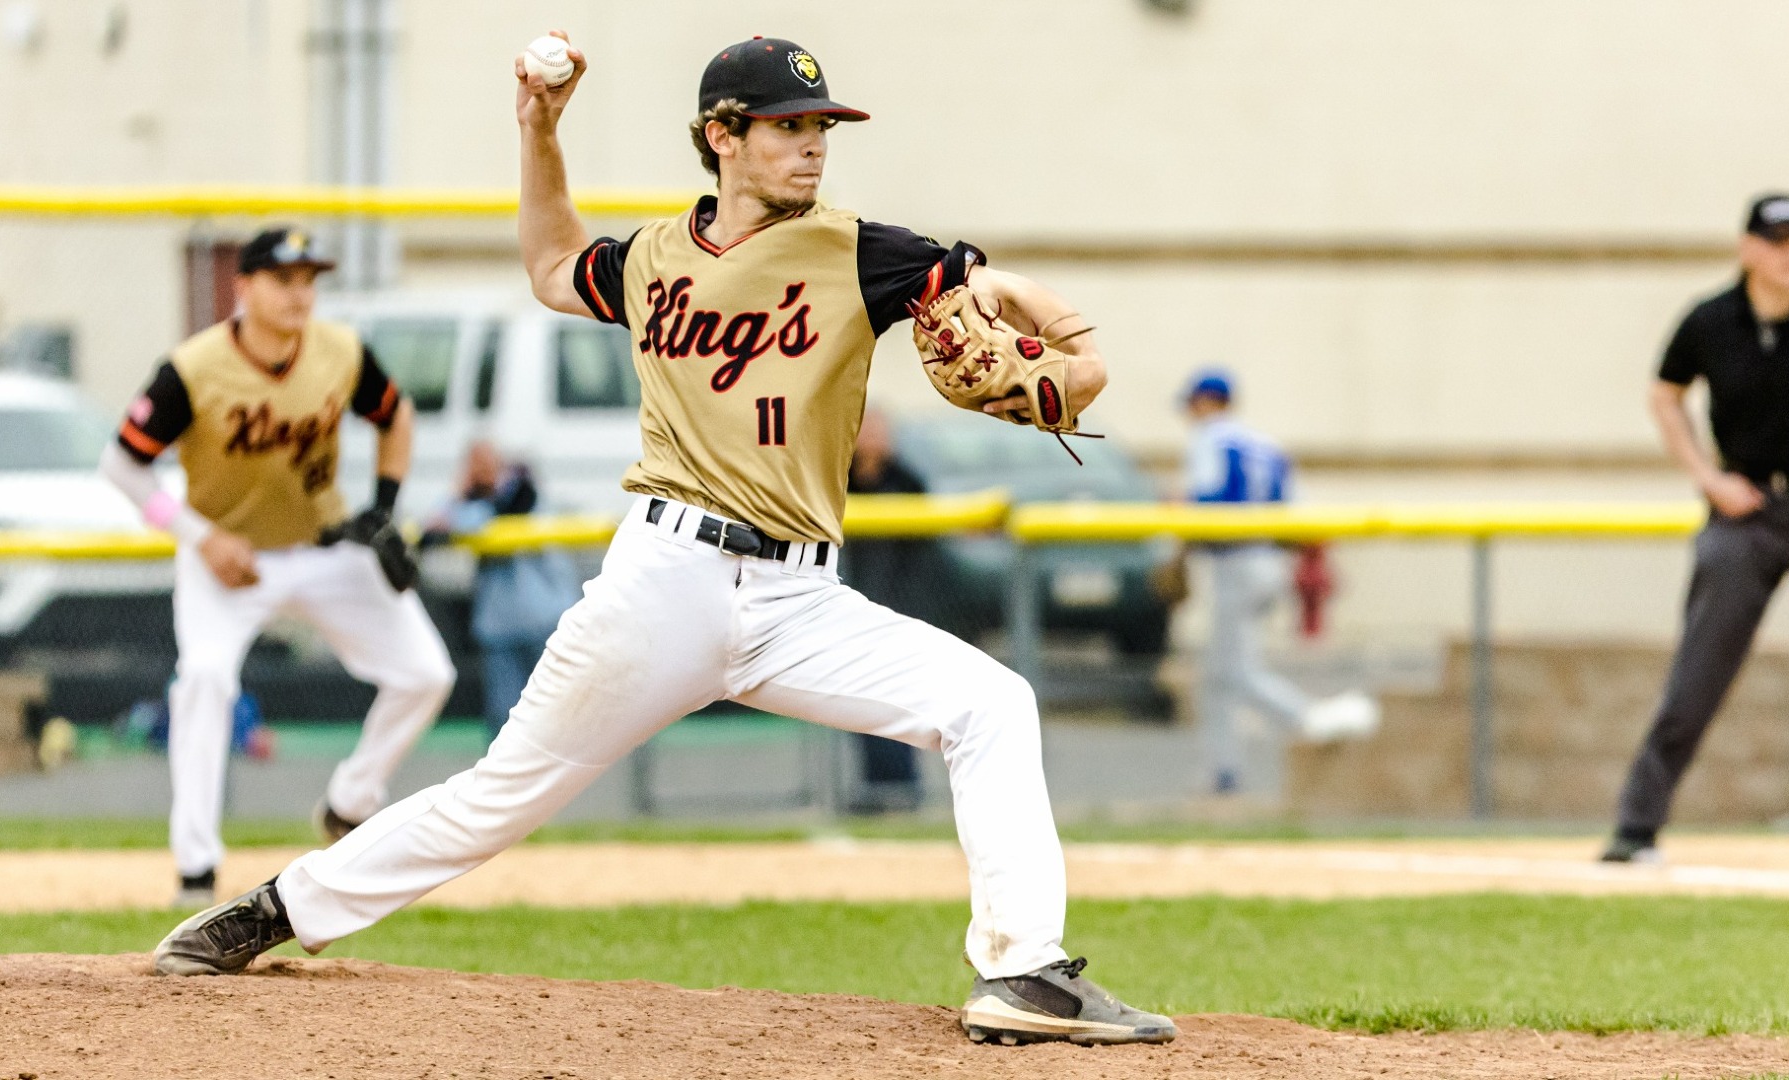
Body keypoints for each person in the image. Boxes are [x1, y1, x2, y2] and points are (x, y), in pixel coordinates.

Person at [152, 33, 1177, 1048]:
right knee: (497, 798)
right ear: (720, 136)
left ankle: (1022, 970)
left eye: (820, 126)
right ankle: (276, 910)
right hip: (663, 580)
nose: (812, 144)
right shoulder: (652, 257)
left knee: (989, 703)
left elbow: (998, 309)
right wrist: (537, 129)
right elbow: (553, 264)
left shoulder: (867, 252)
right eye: (787, 126)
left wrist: (1064, 338)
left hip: (800, 602)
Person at [102, 226, 456, 907]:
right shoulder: (194, 366)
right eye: (283, 279)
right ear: (244, 287)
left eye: (308, 280)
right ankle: (196, 870)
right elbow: (121, 466)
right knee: (203, 679)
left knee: (426, 673)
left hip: (325, 547)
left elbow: (395, 415)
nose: (299, 294)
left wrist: (383, 506)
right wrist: (196, 536)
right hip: (228, 561)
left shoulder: (338, 350)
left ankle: (349, 801)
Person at [1603, 194, 1789, 865]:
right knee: (1696, 675)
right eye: (1776, 241)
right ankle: (1635, 828)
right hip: (1746, 509)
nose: (1786, 256)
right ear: (1747, 247)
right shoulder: (1711, 322)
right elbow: (1664, 394)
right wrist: (1705, 477)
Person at [1179, 369, 1378, 796]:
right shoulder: (1264, 444)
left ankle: (1310, 718)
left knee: (1233, 670)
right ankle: (1223, 771)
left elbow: (1206, 501)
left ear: (1207, 401)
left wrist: (1176, 532)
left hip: (1235, 562)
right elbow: (1297, 513)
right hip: (1270, 561)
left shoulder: (1211, 439)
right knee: (1218, 673)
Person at [425, 440, 580, 744]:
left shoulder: (524, 494)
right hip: (501, 628)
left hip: (543, 620)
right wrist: (459, 492)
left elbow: (487, 518)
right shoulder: (472, 503)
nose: (480, 470)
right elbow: (435, 524)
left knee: (552, 715)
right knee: (504, 718)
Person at [840, 409, 929, 813]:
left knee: (903, 702)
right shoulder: (839, 481)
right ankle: (873, 789)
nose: (875, 439)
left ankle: (904, 788)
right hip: (849, 612)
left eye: (881, 431)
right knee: (861, 704)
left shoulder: (907, 482)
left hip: (900, 610)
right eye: (868, 430)